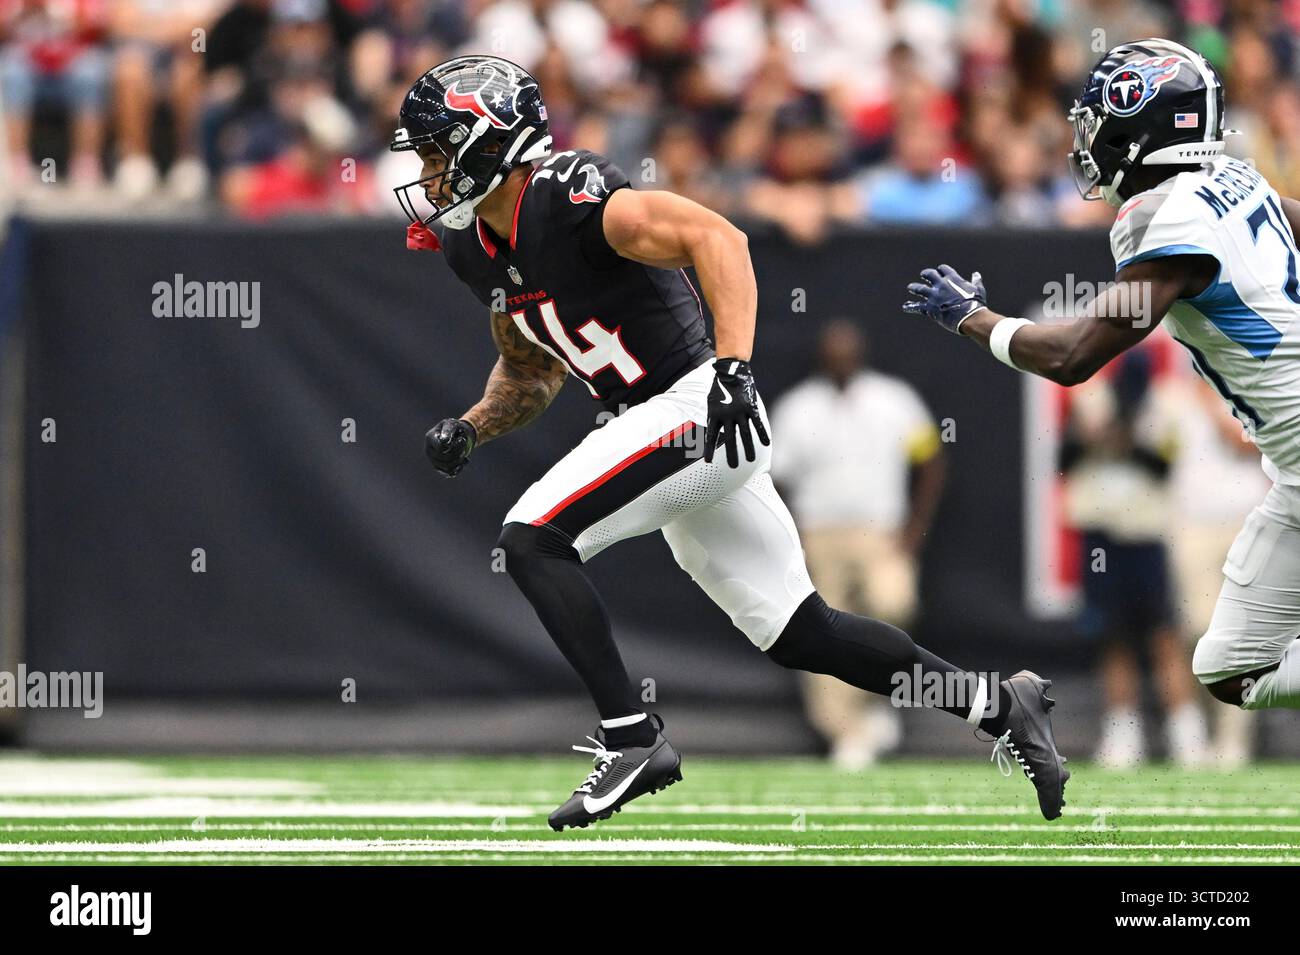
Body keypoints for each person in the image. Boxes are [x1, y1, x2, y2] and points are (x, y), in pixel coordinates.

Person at [396, 55, 1068, 829]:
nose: (427, 172)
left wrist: (734, 368)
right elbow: (533, 367)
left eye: (437, 150)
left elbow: (721, 240)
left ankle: (631, 736)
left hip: (697, 406)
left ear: (493, 143)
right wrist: (474, 425)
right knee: (802, 631)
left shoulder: (574, 199)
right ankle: (998, 703)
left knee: (532, 535)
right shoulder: (472, 246)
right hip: (655, 422)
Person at [904, 37, 1300, 717]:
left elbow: (1073, 354)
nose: (1089, 140)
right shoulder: (1236, 177)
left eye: (1098, 122)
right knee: (1233, 667)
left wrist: (973, 318)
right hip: (1292, 471)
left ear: (1139, 122)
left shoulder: (1167, 214)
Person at [770, 320, 945, 768]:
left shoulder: (894, 399)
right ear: (821, 358)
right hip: (820, 534)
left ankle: (874, 703)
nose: (841, 360)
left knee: (893, 605)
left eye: (848, 352)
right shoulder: (797, 408)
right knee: (822, 634)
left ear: (862, 354)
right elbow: (776, 480)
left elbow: (931, 462)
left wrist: (913, 531)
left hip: (879, 532)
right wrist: (792, 539)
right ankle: (847, 732)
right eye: (833, 353)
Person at [1058, 348, 1208, 767]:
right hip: (1102, 536)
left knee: (1163, 633)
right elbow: (1063, 458)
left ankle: (1185, 732)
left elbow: (1164, 465)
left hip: (1145, 536)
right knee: (1113, 635)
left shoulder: (1167, 405)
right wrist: (1092, 435)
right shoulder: (1088, 401)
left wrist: (1128, 440)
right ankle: (1123, 732)